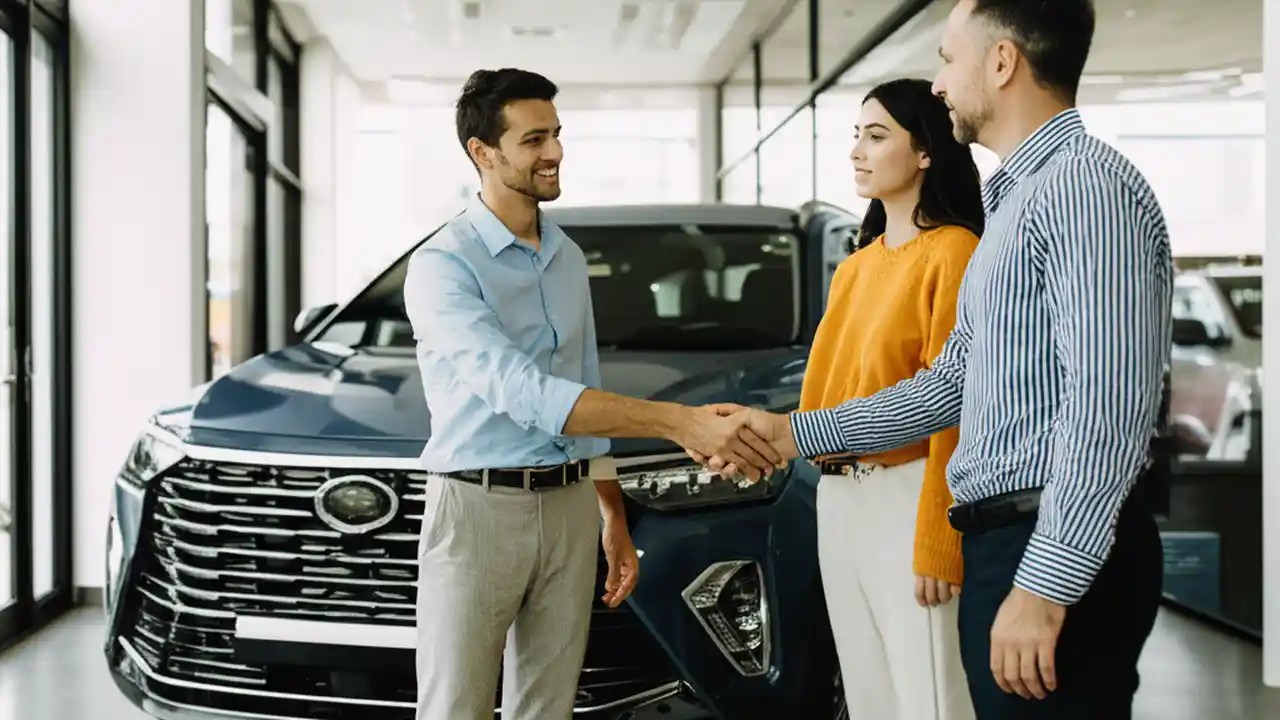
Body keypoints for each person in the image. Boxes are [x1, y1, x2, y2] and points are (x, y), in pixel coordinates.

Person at [694, 1, 1172, 717]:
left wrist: (1045, 587)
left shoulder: (1081, 188)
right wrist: (791, 432)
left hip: (1044, 542)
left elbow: (1108, 406)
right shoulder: (1017, 201)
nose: (940, 83)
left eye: (949, 58)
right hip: (1003, 538)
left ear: (1002, 62)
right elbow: (948, 384)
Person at [403, 68, 782, 720]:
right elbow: (522, 392)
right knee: (454, 707)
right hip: (478, 511)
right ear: (482, 153)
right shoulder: (444, 264)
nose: (554, 152)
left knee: (548, 707)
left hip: (570, 505)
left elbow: (585, 386)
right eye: (533, 140)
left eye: (556, 134)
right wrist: (679, 423)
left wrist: (611, 517)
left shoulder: (568, 256)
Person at [803, 77, 983, 719]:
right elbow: (823, 402)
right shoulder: (856, 265)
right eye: (857, 135)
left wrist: (940, 537)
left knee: (930, 698)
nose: (858, 150)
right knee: (869, 698)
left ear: (927, 150)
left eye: (877, 136)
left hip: (908, 500)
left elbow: (956, 408)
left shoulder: (955, 252)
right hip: (839, 499)